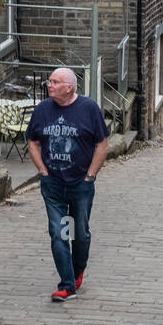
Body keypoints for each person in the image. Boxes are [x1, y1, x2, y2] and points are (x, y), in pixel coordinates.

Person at [26, 68, 109, 302]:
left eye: (55, 81)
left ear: (69, 87)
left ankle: (77, 269)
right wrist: (42, 170)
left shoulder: (88, 108)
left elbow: (102, 143)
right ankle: (67, 284)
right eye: (49, 80)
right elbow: (32, 141)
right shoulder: (43, 109)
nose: (49, 85)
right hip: (53, 185)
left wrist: (91, 175)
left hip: (81, 185)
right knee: (59, 232)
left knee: (79, 233)